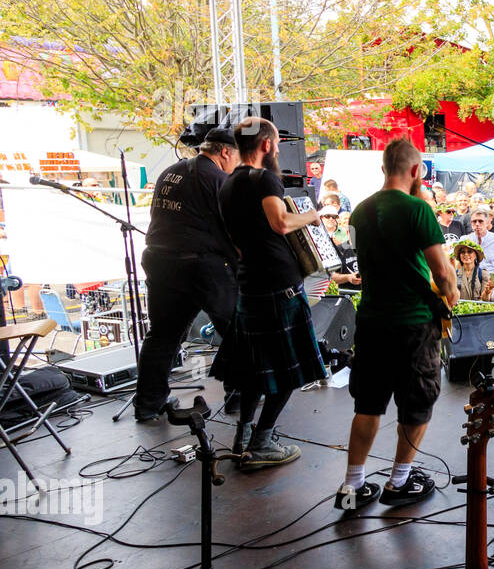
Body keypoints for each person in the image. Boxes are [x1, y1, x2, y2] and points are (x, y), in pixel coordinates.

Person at [334, 140, 459, 512]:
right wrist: (450, 297)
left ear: (383, 168)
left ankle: (353, 486)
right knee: (416, 403)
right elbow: (442, 272)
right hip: (413, 324)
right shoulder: (418, 209)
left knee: (368, 404)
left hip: (371, 321)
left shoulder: (360, 211)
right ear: (416, 170)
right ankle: (399, 481)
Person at [210, 117, 326, 467]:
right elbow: (281, 222)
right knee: (289, 370)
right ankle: (261, 443)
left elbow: (232, 240)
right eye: (275, 144)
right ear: (264, 146)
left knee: (254, 370)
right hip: (279, 287)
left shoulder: (228, 183)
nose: (277, 150)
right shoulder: (265, 179)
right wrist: (314, 215)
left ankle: (243, 436)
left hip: (250, 285)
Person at [135, 127, 241, 421]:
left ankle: (147, 404)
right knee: (236, 331)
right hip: (200, 266)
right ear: (224, 152)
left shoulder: (171, 171)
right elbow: (231, 230)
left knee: (162, 336)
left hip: (160, 262)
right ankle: (238, 397)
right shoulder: (218, 179)